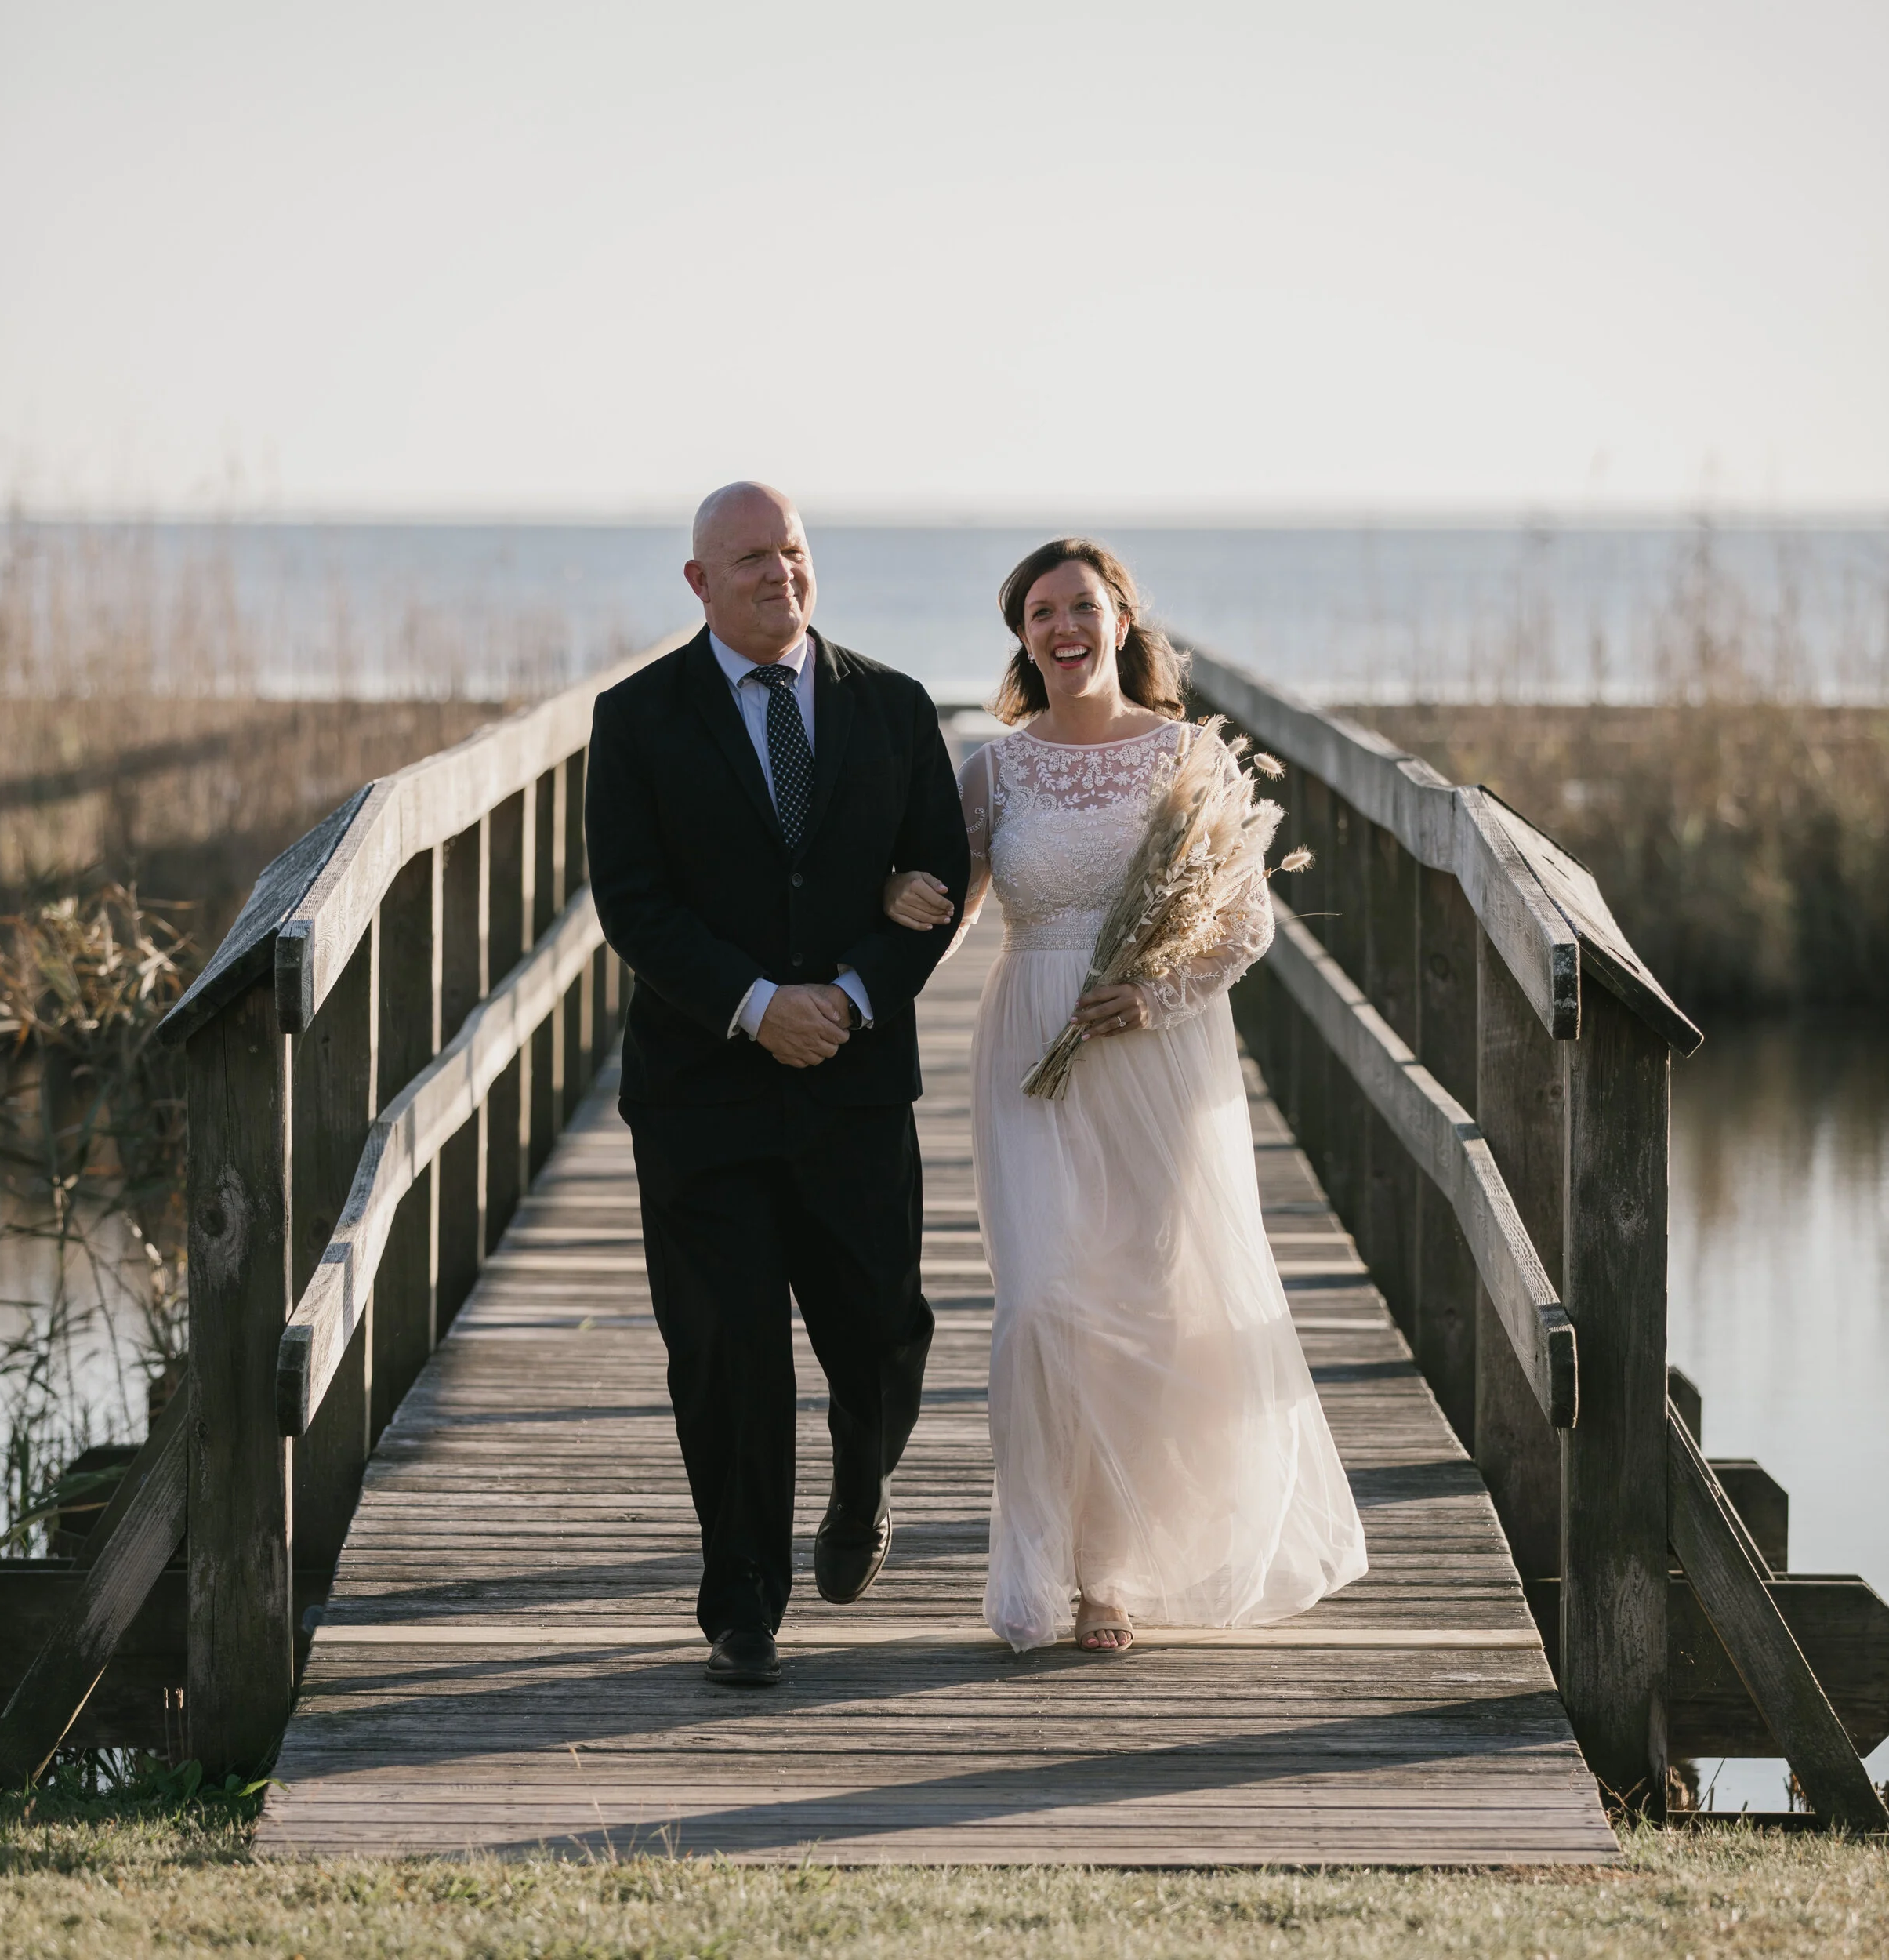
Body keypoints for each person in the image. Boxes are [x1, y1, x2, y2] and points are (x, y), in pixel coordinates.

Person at [884, 538, 1366, 1653]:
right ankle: (1031, 1569)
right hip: (1028, 1048)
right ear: (1021, 636)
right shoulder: (996, 769)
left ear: (1122, 619)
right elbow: (951, 904)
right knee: (1045, 1304)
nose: (1064, 627)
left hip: (1155, 1054)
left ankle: (1110, 1572)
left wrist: (1152, 991)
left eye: (1083, 606)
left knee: (1142, 1305)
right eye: (1041, 611)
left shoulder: (1189, 756)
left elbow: (1244, 923)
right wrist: (901, 900)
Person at [584, 482, 970, 1686]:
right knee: (724, 1349)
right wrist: (758, 1006)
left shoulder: (894, 707)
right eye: (749, 558)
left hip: (854, 1087)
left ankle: (864, 1482)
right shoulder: (638, 717)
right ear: (699, 582)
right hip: (704, 1091)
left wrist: (851, 995)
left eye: (793, 552)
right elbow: (632, 901)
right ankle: (741, 1602)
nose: (778, 575)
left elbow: (941, 875)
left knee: (883, 1335)